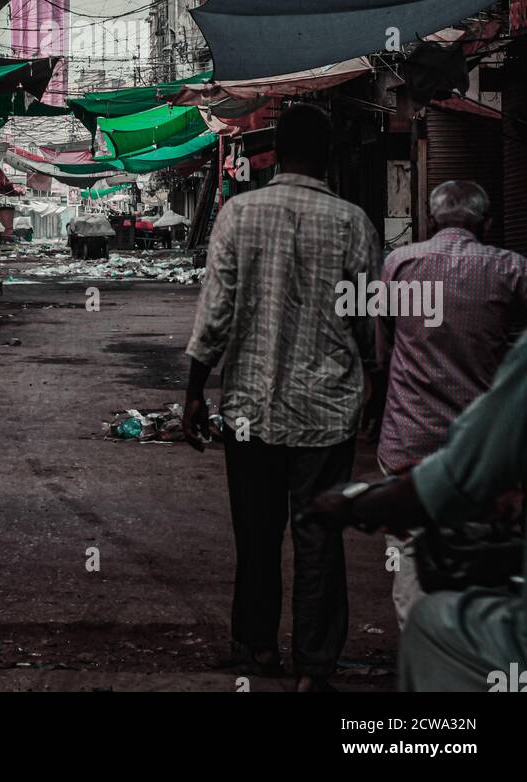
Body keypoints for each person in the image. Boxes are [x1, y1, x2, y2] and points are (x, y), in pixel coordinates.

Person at [182, 102, 380, 692]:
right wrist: (377, 382)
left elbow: (215, 313)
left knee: (256, 534)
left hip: (250, 409)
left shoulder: (238, 215)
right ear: (327, 154)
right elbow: (366, 319)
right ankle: (315, 668)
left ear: (274, 152)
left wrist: (194, 390)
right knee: (319, 540)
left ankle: (257, 648)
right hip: (327, 411)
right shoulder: (353, 223)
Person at [311, 327, 527, 692]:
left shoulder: (400, 267)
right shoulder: (512, 272)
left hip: (425, 441)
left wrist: (363, 503)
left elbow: (454, 477)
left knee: (431, 620)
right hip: (463, 449)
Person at [377, 180, 527, 629]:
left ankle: (420, 656)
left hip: (408, 442)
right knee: (484, 553)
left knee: (408, 554)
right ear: (487, 224)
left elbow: (384, 346)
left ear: (429, 220)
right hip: (485, 449)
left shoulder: (399, 263)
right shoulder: (513, 269)